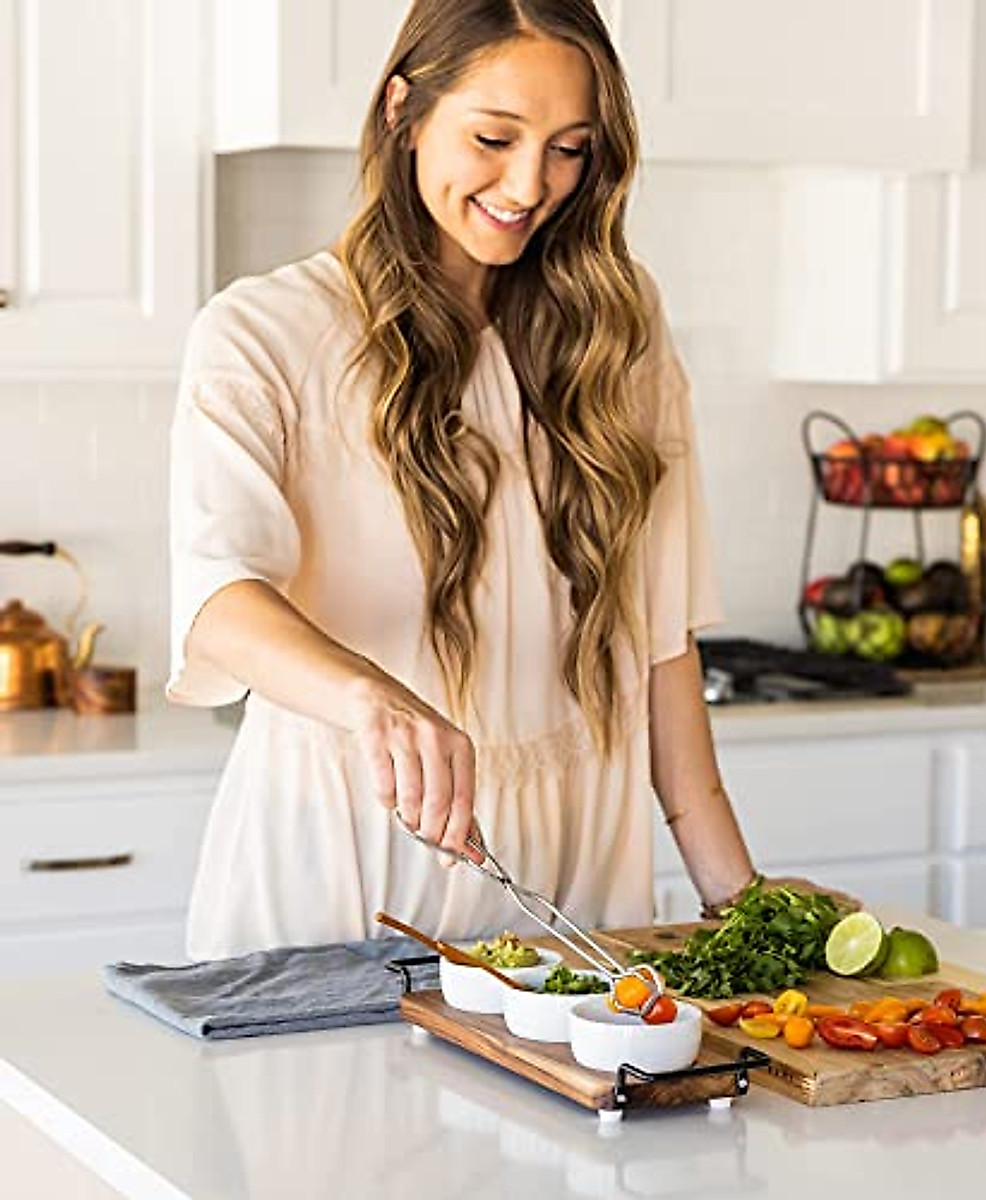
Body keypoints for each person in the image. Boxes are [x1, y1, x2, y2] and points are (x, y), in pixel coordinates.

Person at [169, 0, 816, 961]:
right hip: (343, 870)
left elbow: (659, 637)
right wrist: (370, 698)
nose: (530, 183)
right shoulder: (264, 332)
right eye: (494, 137)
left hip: (575, 879)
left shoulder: (618, 331)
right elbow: (220, 599)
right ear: (403, 112)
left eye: (569, 148)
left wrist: (743, 904)